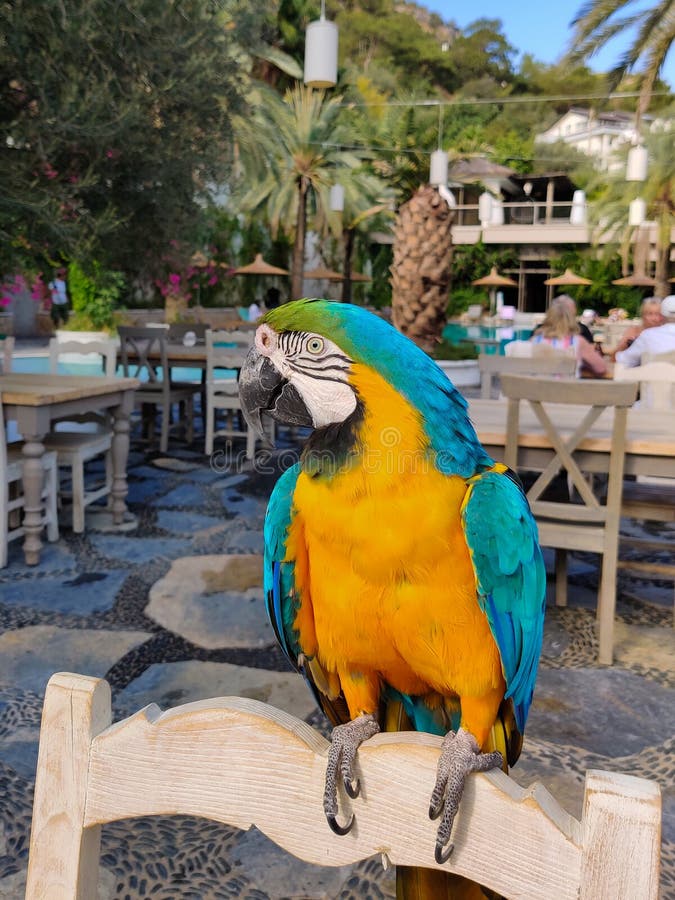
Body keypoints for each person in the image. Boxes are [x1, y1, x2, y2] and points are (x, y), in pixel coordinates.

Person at [530, 294, 607, 377]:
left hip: (538, 384)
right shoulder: (578, 341)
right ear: (571, 317)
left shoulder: (535, 340)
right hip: (567, 384)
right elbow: (601, 368)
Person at [615, 295, 675, 367]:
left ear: (663, 315)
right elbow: (617, 356)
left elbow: (622, 360)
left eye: (658, 314)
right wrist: (624, 343)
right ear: (643, 315)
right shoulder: (634, 331)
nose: (654, 318)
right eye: (650, 314)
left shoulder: (648, 335)